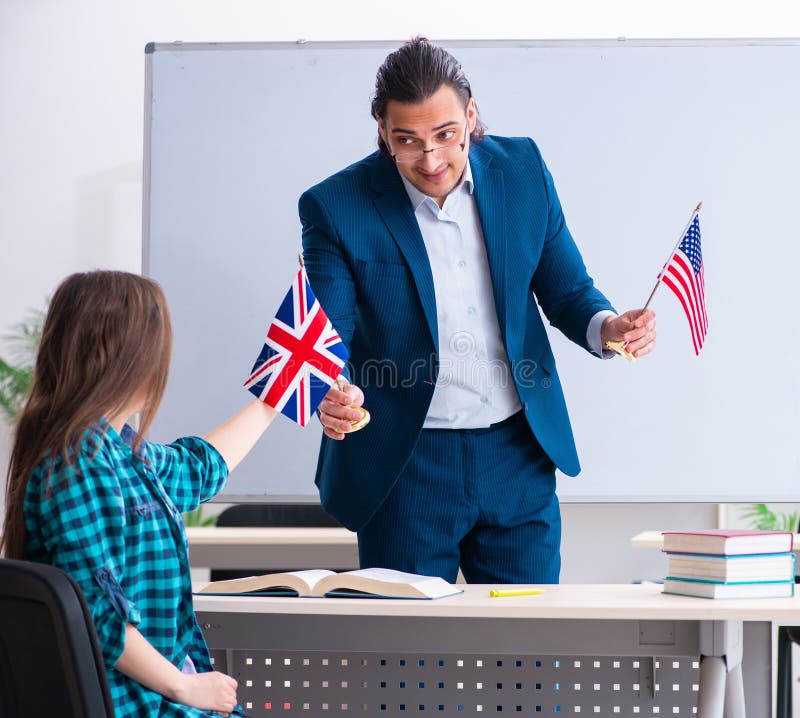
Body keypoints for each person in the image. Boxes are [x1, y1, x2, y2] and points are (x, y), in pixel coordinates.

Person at [301, 38, 656, 585]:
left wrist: (609, 327)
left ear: (470, 112)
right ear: (381, 130)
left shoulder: (523, 171)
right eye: (408, 142)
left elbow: (566, 291)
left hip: (517, 457)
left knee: (531, 657)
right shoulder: (337, 205)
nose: (432, 160)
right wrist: (332, 390)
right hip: (405, 467)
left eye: (446, 135)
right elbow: (327, 333)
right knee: (407, 663)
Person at [1, 270, 277, 717]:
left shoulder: (118, 449)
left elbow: (196, 468)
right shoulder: (80, 463)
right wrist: (186, 687)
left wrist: (276, 396)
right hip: (140, 704)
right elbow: (99, 616)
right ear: (122, 355)